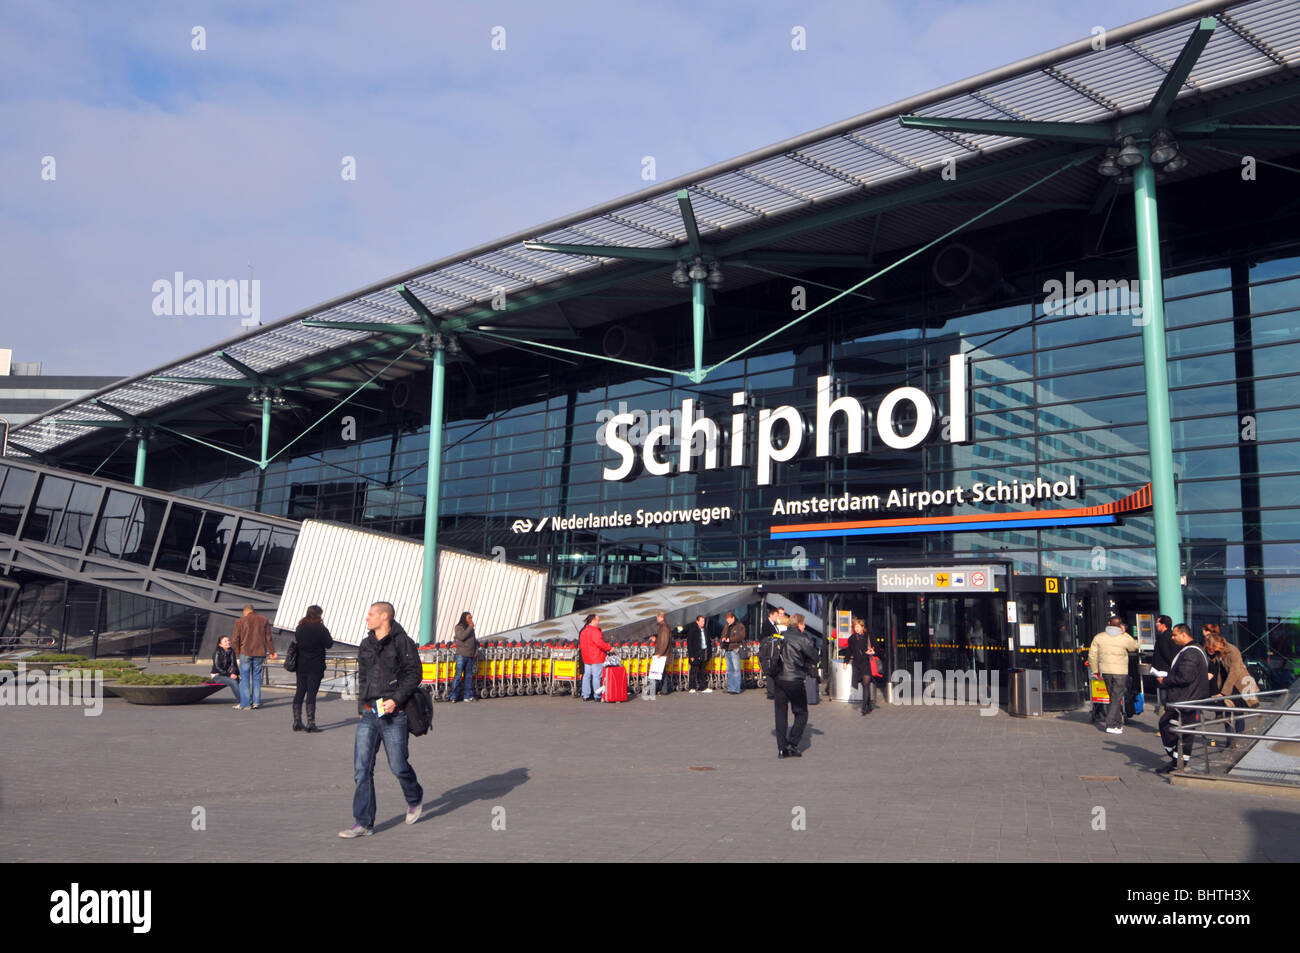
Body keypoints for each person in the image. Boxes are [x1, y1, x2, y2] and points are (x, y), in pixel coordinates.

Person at [339, 602, 423, 837]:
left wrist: (395, 700)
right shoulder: (366, 644)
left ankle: (414, 797)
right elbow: (363, 677)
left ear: (384, 617)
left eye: (371, 614)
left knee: (398, 766)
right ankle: (364, 822)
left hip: (394, 714)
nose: (367, 618)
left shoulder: (402, 641)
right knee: (362, 769)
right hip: (369, 712)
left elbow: (414, 673)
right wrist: (360, 705)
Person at [1155, 623, 1211, 774]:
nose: (1172, 638)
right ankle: (1177, 760)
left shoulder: (1191, 652)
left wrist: (1165, 680)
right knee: (1177, 728)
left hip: (1186, 698)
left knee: (1169, 725)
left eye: (1174, 635)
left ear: (1184, 634)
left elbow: (1185, 677)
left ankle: (1178, 760)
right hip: (1188, 697)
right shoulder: (1194, 650)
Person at [772, 617, 820, 759]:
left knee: (780, 714)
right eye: (803, 624)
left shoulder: (781, 636)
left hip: (779, 679)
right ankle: (792, 744)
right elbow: (815, 657)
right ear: (799, 624)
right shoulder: (803, 639)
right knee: (801, 713)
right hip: (795, 679)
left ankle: (781, 749)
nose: (804, 627)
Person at [1204, 623, 1255, 747]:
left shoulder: (1232, 651)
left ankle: (1238, 739)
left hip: (1239, 684)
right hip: (1225, 684)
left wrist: (1224, 692)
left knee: (1237, 713)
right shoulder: (1217, 653)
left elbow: (1234, 673)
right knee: (1227, 713)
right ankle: (1230, 740)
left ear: (1218, 645)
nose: (1211, 650)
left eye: (1212, 648)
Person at [1088, 615, 1139, 735]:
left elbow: (1092, 655)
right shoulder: (1124, 637)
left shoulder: (1099, 637)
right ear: (1120, 625)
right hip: (1120, 671)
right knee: (1116, 697)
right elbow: (1134, 647)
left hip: (1106, 671)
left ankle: (1116, 723)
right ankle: (1111, 724)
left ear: (1108, 623)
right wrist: (1125, 633)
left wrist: (1095, 670)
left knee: (1112, 697)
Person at [292, 605, 333, 733]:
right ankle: (311, 723)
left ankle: (297, 721)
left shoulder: (300, 627)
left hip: (301, 664)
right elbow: (329, 644)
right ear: (318, 615)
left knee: (299, 691)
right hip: (315, 665)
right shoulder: (320, 629)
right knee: (311, 694)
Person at [232, 604, 277, 711]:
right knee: (257, 678)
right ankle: (256, 702)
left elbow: (235, 639)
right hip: (259, 652)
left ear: (245, 611)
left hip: (245, 652)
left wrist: (238, 653)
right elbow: (268, 638)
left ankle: (246, 704)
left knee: (245, 678)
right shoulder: (264, 620)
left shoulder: (240, 621)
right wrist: (272, 652)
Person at [841, 618, 881, 715]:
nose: (857, 629)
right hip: (857, 664)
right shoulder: (852, 638)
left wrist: (873, 652)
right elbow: (849, 651)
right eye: (855, 627)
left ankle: (864, 708)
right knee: (863, 685)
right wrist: (845, 662)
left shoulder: (868, 636)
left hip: (867, 663)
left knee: (866, 684)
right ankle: (869, 705)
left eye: (858, 627)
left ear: (863, 627)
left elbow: (877, 647)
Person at [579, 614, 611, 702]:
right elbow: (600, 643)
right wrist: (609, 648)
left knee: (587, 675)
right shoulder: (595, 631)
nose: (599, 622)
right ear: (593, 621)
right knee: (597, 676)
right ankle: (597, 695)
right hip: (596, 656)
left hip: (586, 657)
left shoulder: (583, 631)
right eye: (597, 620)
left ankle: (585, 695)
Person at [450, 611, 478, 702]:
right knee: (458, 676)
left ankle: (468, 695)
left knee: (469, 676)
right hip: (461, 655)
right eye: (469, 618)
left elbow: (474, 641)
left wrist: (475, 651)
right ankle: (453, 696)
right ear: (464, 618)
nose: (471, 620)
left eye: (471, 618)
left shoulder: (471, 629)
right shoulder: (458, 627)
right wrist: (470, 627)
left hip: (470, 655)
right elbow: (462, 637)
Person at [644, 610, 671, 700]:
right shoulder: (664, 627)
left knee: (656, 672)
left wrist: (660, 653)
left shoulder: (663, 627)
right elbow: (663, 639)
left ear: (661, 617)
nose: (657, 619)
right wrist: (656, 639)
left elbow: (664, 641)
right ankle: (664, 689)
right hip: (663, 653)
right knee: (662, 672)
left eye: (657, 617)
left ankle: (653, 690)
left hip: (662, 653)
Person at [1150, 614, 1175, 710]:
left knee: (1165, 697)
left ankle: (1169, 714)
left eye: (1158, 623)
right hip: (1169, 670)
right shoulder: (1172, 636)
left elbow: (1166, 654)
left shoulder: (1163, 637)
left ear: (1163, 625)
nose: (1156, 625)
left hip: (1163, 671)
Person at [720, 611, 746, 694]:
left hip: (735, 649)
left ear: (733, 618)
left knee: (736, 670)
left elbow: (741, 636)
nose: (728, 621)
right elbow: (723, 634)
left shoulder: (739, 626)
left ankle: (736, 689)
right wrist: (723, 638)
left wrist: (730, 639)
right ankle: (730, 688)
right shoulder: (727, 626)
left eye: (729, 619)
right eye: (727, 620)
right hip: (727, 649)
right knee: (729, 670)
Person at [760, 605, 783, 700]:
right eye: (776, 616)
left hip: (774, 650)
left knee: (774, 670)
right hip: (768, 651)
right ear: (771, 615)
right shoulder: (767, 624)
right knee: (770, 670)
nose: (777, 618)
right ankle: (771, 692)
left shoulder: (774, 624)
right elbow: (769, 637)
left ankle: (774, 690)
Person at [210, 635, 241, 703]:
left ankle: (248, 699)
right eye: (225, 641)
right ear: (220, 644)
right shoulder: (217, 652)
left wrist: (236, 674)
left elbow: (234, 664)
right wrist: (229, 675)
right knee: (233, 682)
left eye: (228, 640)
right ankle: (243, 701)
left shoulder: (231, 651)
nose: (228, 642)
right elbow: (217, 667)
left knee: (240, 681)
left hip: (227, 674)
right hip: (217, 675)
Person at [688, 614, 712, 693]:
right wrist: (691, 655)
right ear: (697, 621)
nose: (703, 623)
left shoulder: (705, 630)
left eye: (704, 621)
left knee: (703, 670)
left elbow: (708, 641)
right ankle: (692, 687)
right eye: (701, 621)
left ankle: (703, 686)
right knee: (694, 670)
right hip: (695, 652)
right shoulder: (693, 630)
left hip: (704, 651)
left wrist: (709, 652)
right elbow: (689, 643)